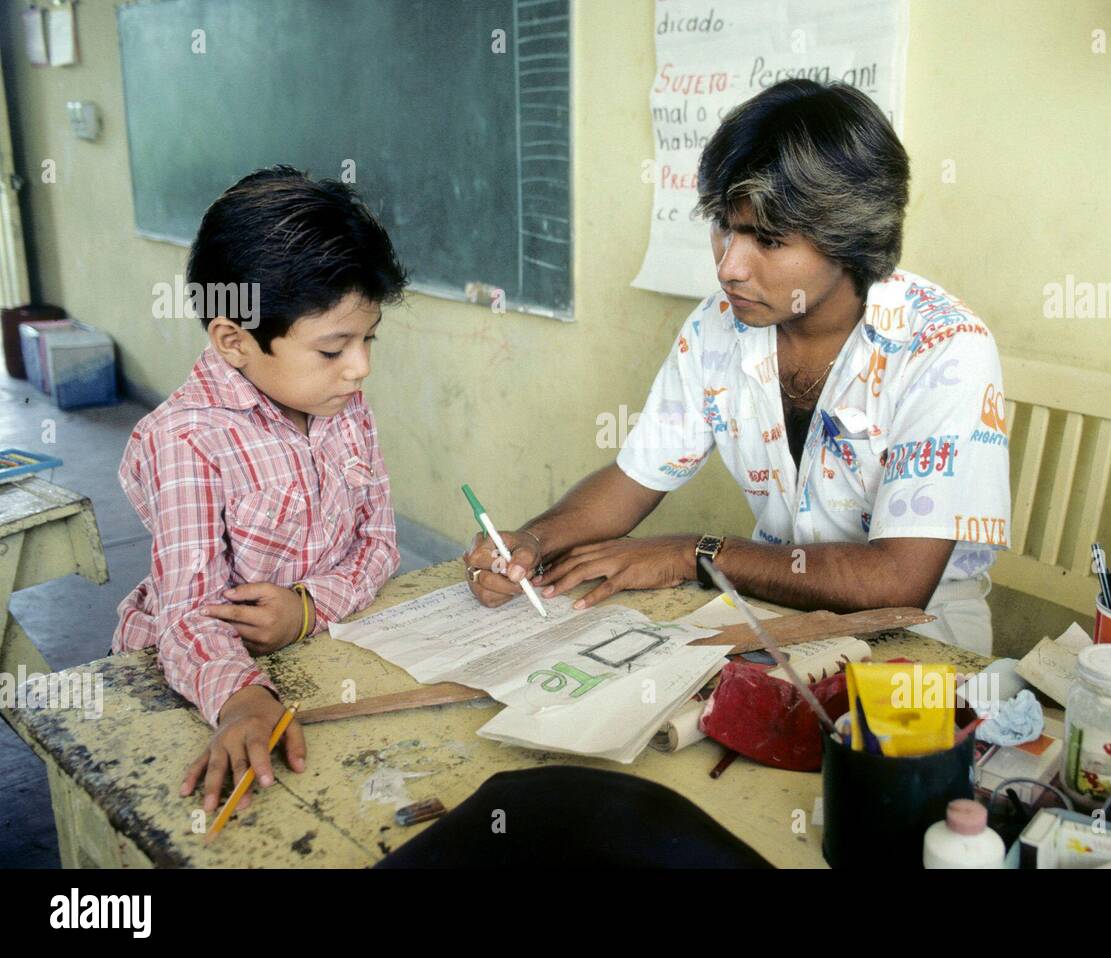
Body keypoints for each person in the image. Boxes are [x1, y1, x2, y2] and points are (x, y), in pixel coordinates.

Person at [464, 80, 1010, 655]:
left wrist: (692, 554)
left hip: (923, 642)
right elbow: (634, 478)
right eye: (724, 225)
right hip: (770, 611)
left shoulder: (945, 348)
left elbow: (898, 583)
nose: (729, 267)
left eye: (768, 240)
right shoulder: (717, 327)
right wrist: (530, 539)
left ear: (849, 238)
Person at [114, 166, 407, 813]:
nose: (361, 368)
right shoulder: (187, 439)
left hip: (321, 653)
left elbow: (379, 542)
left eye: (368, 340)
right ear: (234, 340)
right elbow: (188, 612)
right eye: (334, 349)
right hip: (193, 676)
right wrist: (242, 697)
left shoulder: (344, 407)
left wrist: (308, 607)